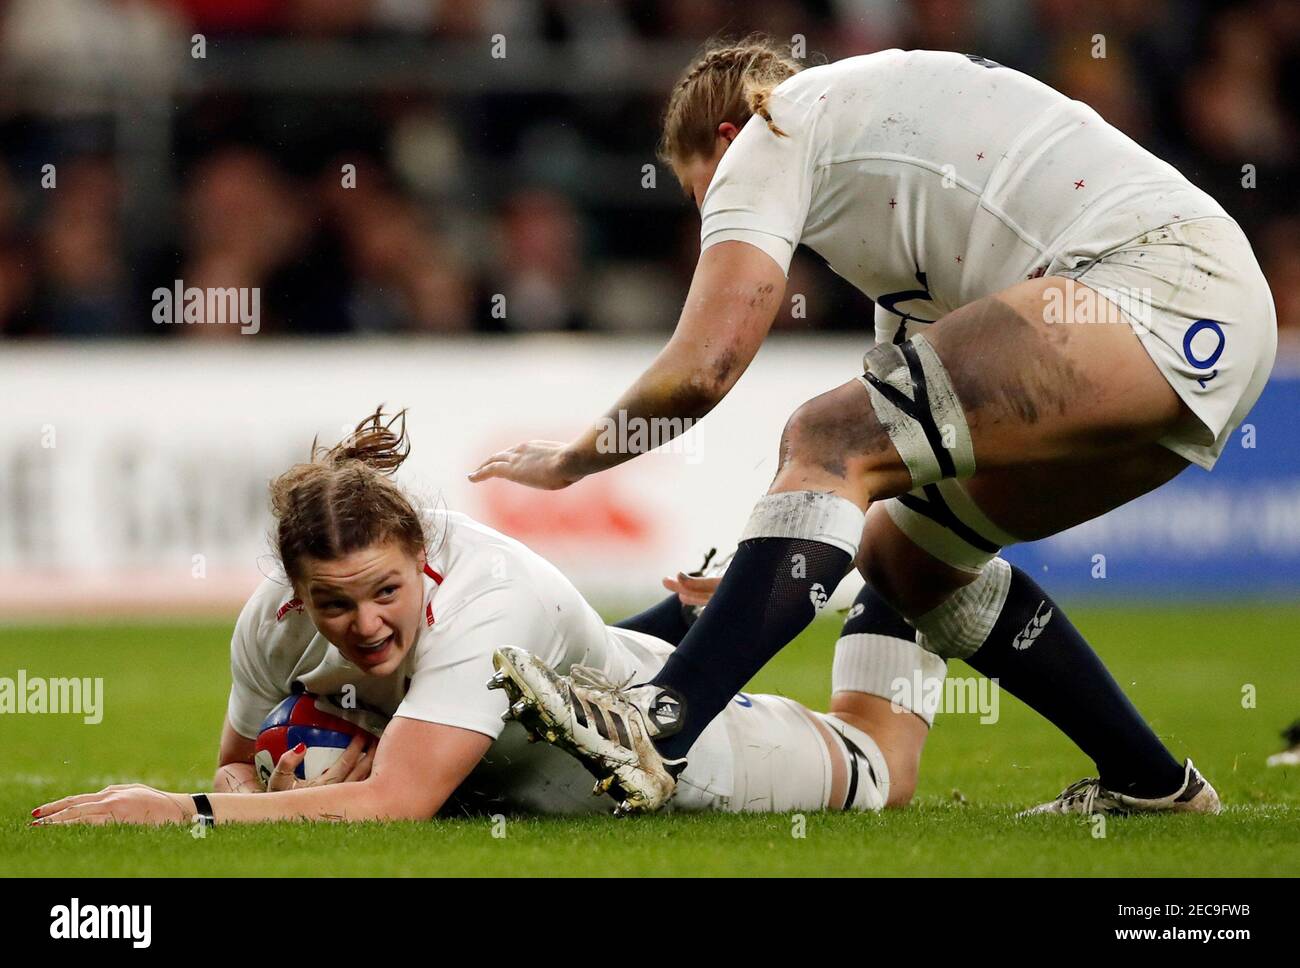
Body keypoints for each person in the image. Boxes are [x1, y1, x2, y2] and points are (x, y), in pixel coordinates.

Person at [472, 39, 1277, 815]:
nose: (712, 224)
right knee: (910, 559)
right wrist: (761, 582)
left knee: (827, 436)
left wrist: (575, 460)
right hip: (1211, 326)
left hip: (1153, 285)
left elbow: (705, 368)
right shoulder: (893, 209)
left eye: (703, 195)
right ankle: (1151, 783)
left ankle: (658, 728)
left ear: (725, 138)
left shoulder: (772, 127)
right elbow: (866, 480)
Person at [29, 409, 944, 827]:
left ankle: (912, 542)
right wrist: (231, 789)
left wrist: (173, 812)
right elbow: (236, 764)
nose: (367, 627)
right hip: (547, 740)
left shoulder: (485, 598)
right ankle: (712, 601)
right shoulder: (270, 623)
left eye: (386, 593)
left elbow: (396, 803)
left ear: (419, 554)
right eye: (333, 605)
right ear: (295, 594)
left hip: (691, 755)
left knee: (881, 766)